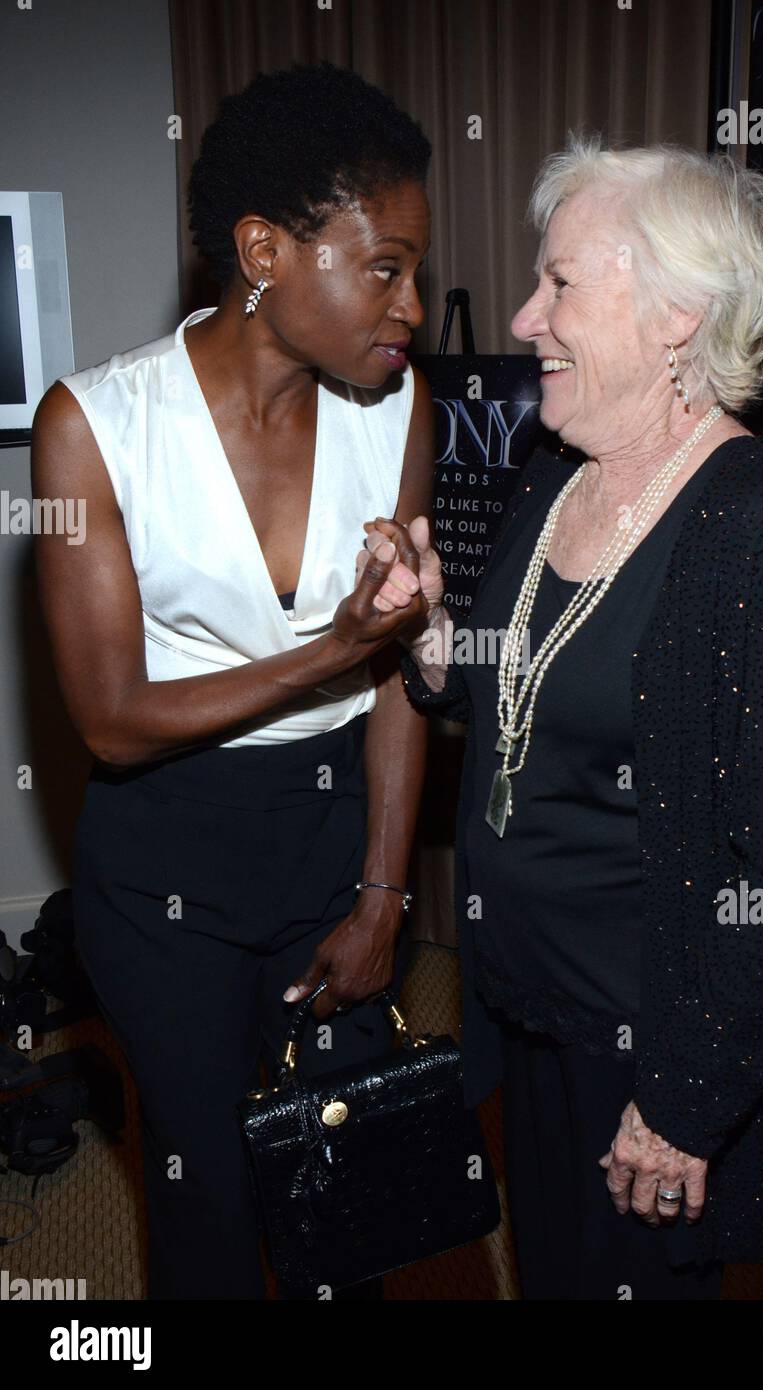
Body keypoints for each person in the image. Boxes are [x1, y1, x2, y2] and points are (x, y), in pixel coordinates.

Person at [362, 137, 763, 1301]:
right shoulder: (560, 470)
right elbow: (515, 699)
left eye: (562, 284)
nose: (527, 315)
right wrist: (428, 629)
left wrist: (683, 1110)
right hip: (525, 1002)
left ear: (677, 314)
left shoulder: (762, 538)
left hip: (648, 1052)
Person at [31, 63, 435, 1300]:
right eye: (385, 267)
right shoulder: (93, 426)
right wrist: (335, 645)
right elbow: (112, 720)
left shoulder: (394, 405)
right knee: (204, 1193)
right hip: (166, 861)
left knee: (347, 1180)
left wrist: (382, 891)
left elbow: (404, 680)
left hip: (335, 832)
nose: (413, 305)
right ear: (264, 249)